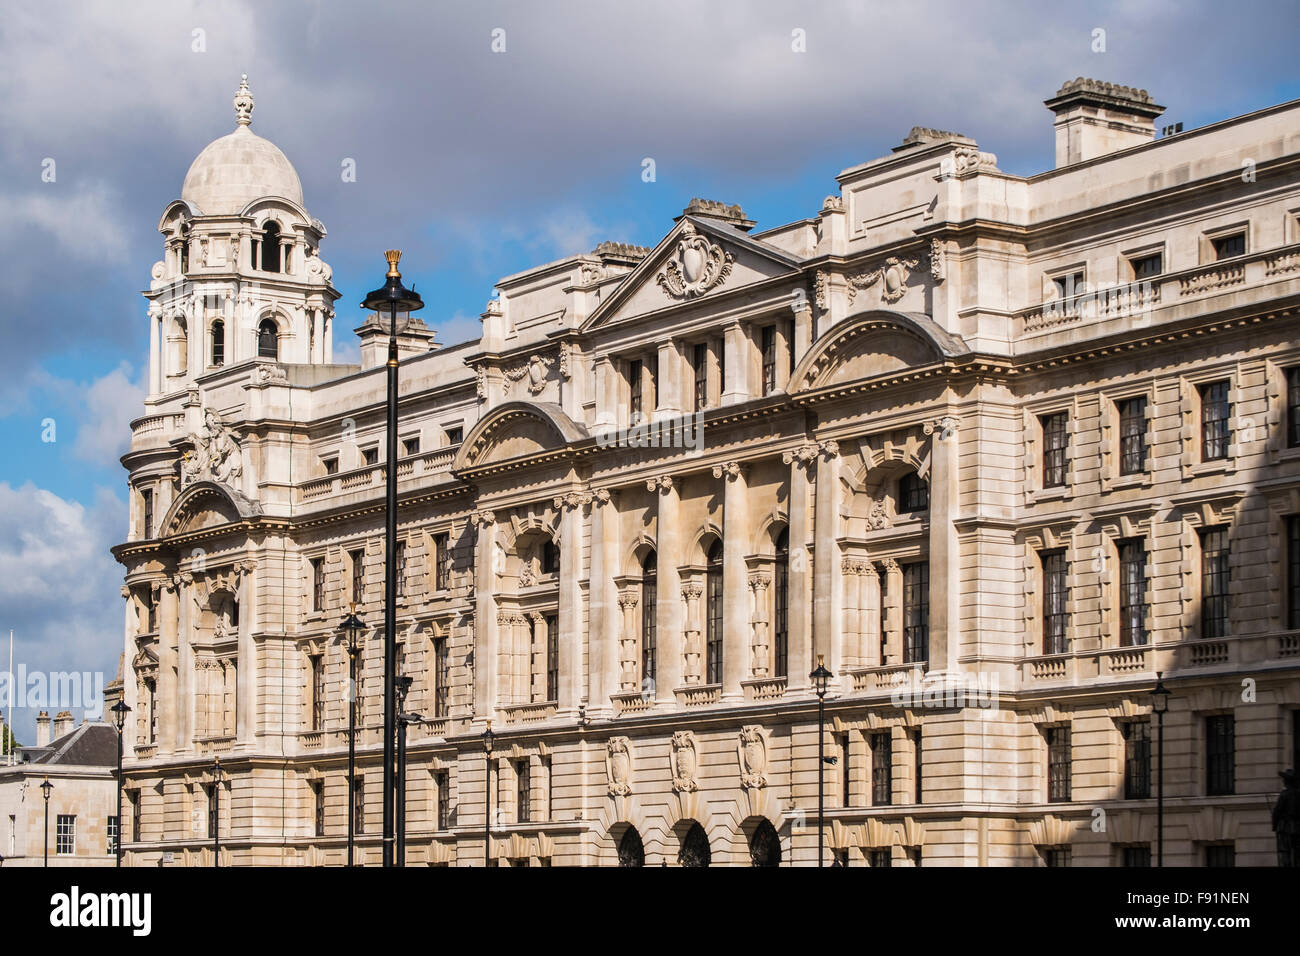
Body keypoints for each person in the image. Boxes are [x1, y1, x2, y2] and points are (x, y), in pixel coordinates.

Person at [1273, 769, 1299, 867]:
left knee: (1285, 851)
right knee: (1296, 851)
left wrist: (1274, 825)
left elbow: (1277, 811)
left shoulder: (1284, 794)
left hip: (1285, 827)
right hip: (1297, 828)